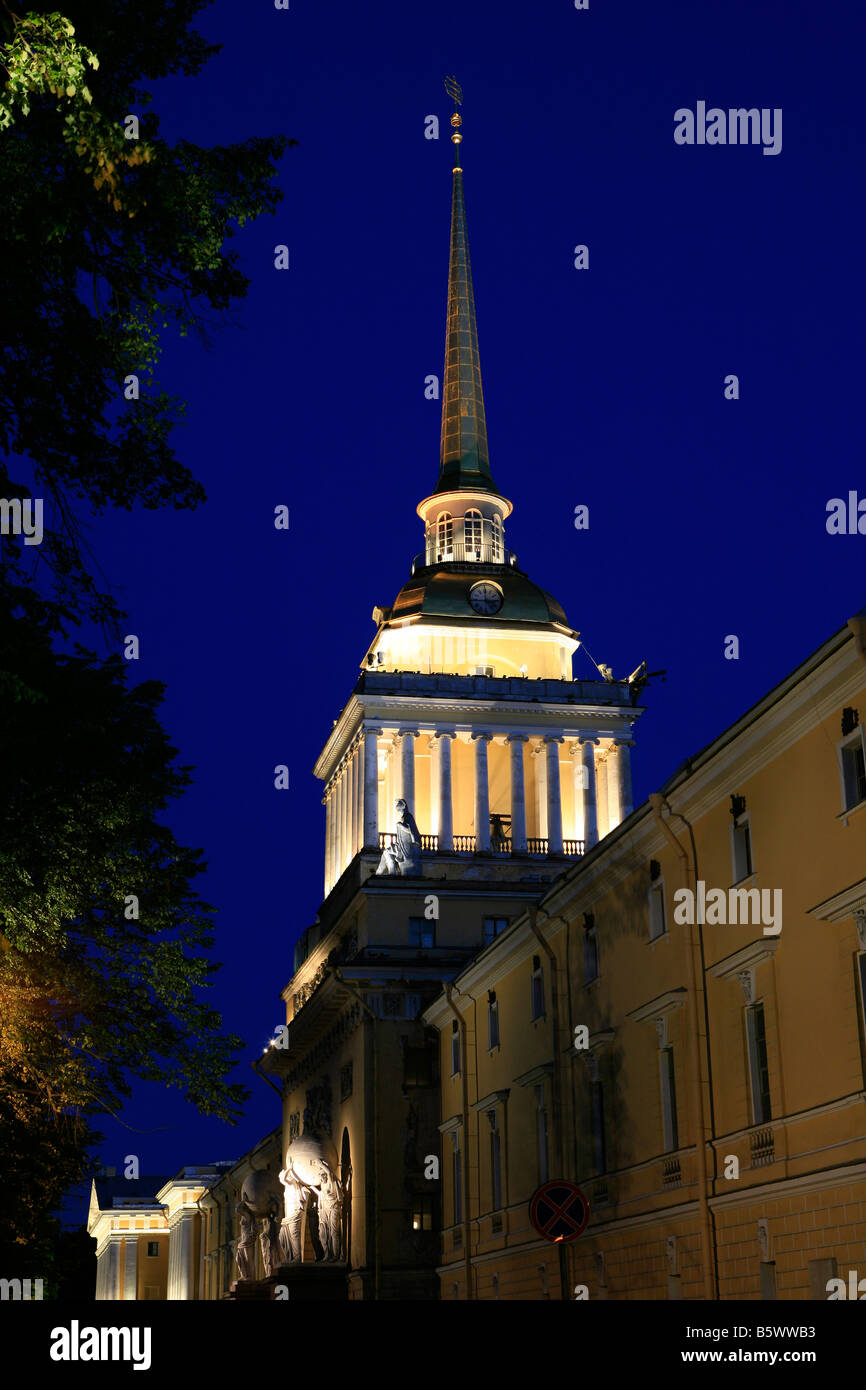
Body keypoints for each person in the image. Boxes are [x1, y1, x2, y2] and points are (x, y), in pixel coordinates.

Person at [375, 798, 422, 876]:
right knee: (386, 852)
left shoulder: (407, 816)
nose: (397, 805)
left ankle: (389, 873)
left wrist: (400, 825)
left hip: (407, 848)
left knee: (386, 852)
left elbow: (410, 830)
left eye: (399, 803)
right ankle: (380, 873)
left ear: (403, 806)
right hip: (403, 846)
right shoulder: (404, 817)